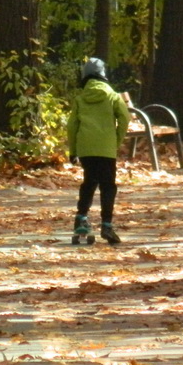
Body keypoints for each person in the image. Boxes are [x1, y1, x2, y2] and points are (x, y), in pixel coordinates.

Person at [66, 56, 130, 245]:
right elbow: (125, 118)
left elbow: (72, 126)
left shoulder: (80, 98)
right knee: (108, 186)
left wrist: (73, 150)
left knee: (89, 182)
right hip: (106, 148)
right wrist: (115, 140)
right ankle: (107, 224)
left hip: (86, 148)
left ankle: (81, 219)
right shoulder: (112, 96)